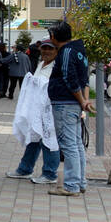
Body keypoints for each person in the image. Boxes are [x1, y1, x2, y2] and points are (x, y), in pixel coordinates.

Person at [5, 39, 59, 184]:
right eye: (44, 48)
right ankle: (25, 169)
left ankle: (50, 174)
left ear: (56, 51)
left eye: (50, 49)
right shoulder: (41, 64)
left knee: (48, 140)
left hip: (49, 110)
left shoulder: (56, 66)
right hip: (37, 110)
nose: (46, 51)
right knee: (34, 139)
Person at [47, 21, 90, 197]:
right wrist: (84, 101)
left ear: (55, 37)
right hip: (72, 104)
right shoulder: (79, 51)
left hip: (65, 104)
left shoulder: (66, 52)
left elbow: (69, 77)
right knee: (77, 144)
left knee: (69, 145)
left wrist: (81, 101)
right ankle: (80, 182)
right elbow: (84, 78)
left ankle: (71, 185)